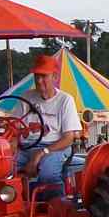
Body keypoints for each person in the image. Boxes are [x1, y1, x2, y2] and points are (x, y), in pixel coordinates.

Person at [15, 54, 83, 190]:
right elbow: (15, 128)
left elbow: (69, 138)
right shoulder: (26, 98)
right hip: (26, 147)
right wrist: (10, 149)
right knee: (3, 168)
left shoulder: (65, 100)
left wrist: (40, 153)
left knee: (48, 172)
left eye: (44, 76)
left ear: (55, 77)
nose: (39, 81)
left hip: (54, 147)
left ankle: (55, 204)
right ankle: (13, 201)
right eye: (37, 76)